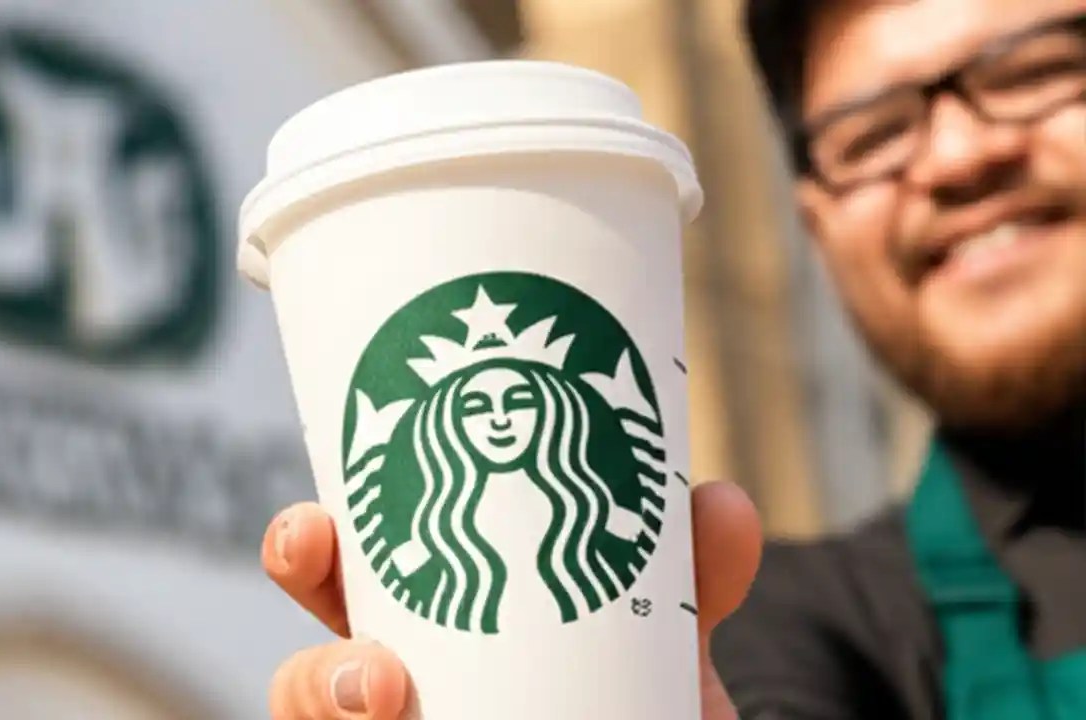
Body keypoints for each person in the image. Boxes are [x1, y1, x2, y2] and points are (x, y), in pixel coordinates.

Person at [256, 0, 1086, 716]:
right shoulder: (792, 630)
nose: (956, 158)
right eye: (872, 135)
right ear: (817, 217)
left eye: (1027, 75)